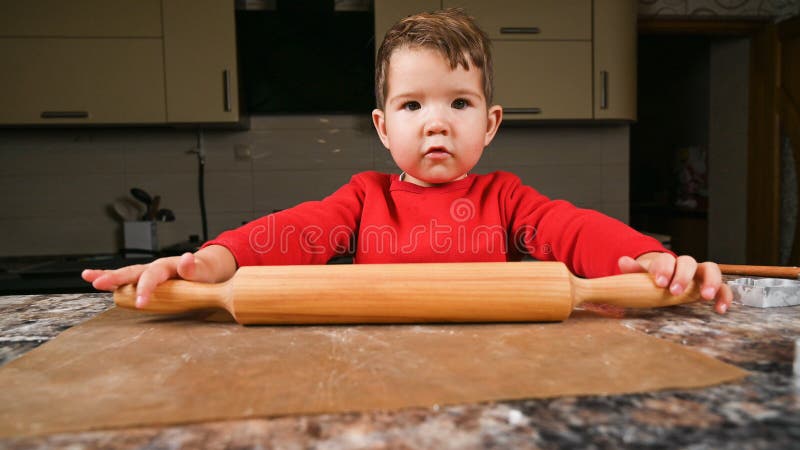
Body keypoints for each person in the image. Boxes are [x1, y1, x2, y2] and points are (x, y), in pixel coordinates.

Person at [83, 9, 732, 314]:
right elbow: (286, 235)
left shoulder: (506, 199)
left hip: (491, 368)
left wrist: (646, 256)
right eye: (413, 104)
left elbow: (573, 229)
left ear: (490, 122)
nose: (437, 121)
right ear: (383, 125)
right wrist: (204, 263)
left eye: (459, 101)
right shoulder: (364, 198)